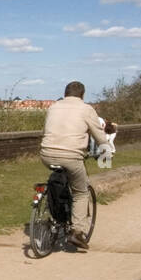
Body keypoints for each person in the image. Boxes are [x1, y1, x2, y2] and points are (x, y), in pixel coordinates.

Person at [40, 81, 115, 250]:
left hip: (46, 154)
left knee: (59, 179)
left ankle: (54, 215)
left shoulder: (53, 107)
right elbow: (99, 134)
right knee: (80, 192)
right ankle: (77, 232)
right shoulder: (86, 109)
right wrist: (106, 151)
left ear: (65, 93)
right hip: (71, 156)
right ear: (82, 95)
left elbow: (45, 131)